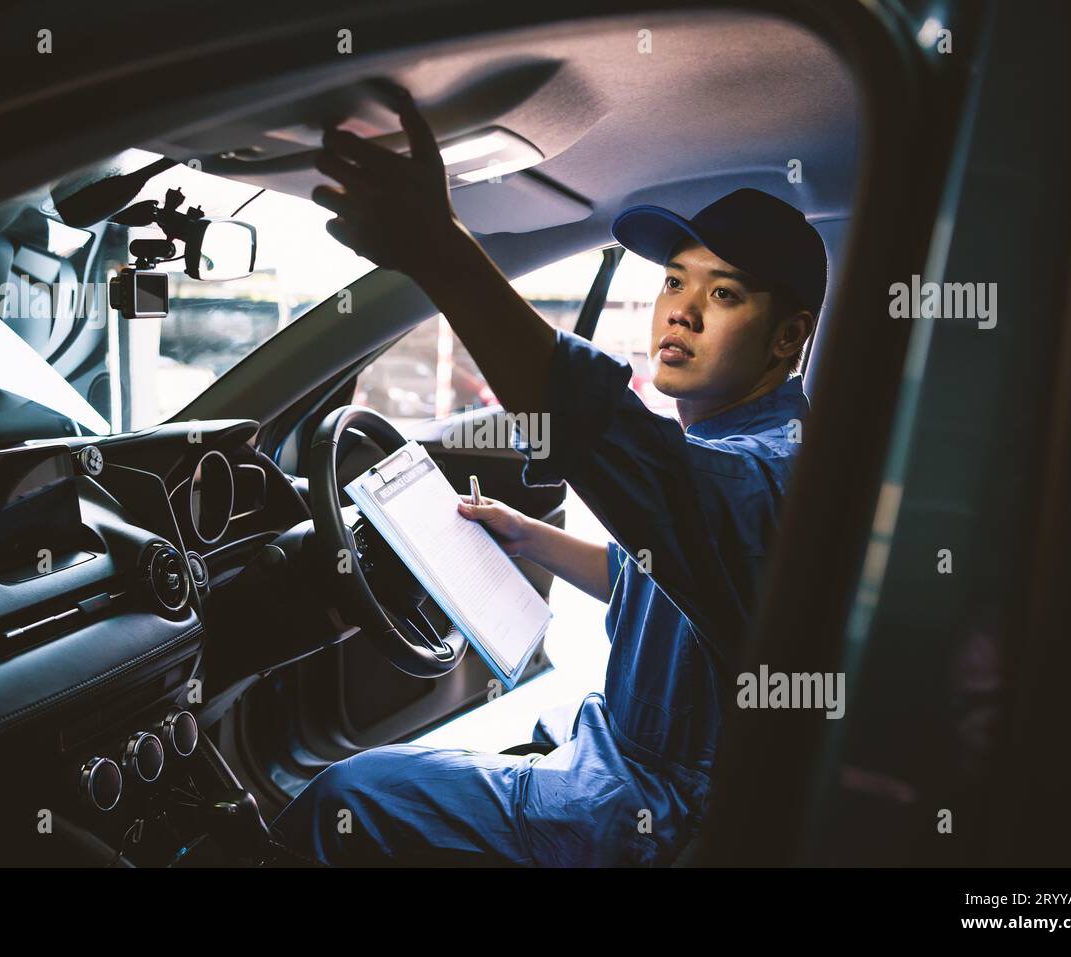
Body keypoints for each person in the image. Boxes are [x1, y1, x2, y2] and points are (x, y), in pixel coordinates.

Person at [270, 86, 826, 866]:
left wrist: (440, 249)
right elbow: (662, 575)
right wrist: (524, 534)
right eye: (676, 280)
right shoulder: (749, 452)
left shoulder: (761, 475)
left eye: (724, 293)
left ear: (787, 338)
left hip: (644, 806)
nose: (682, 311)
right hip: (610, 752)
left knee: (346, 800)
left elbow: (592, 422)